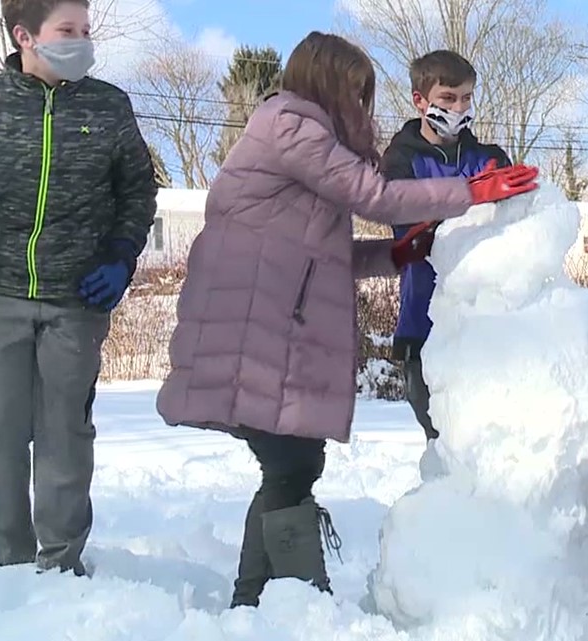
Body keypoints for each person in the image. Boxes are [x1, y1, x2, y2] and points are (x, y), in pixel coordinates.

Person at [155, 32, 538, 609]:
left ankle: (257, 598)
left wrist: (398, 255)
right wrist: (468, 192)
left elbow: (329, 250)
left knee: (290, 462)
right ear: (328, 83)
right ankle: (297, 594)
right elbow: (375, 195)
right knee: (291, 460)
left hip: (271, 323)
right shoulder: (289, 124)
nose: (363, 105)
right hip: (250, 324)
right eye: (357, 92)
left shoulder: (307, 139)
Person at [0, 0, 157, 575]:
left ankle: (61, 560)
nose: (82, 41)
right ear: (26, 36)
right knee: (0, 430)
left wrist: (119, 258)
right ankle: (10, 560)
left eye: (86, 31)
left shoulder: (109, 105)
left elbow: (138, 194)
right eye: (68, 30)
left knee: (67, 429)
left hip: (77, 297)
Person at [380, 50, 511, 444]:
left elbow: (517, 228)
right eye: (448, 98)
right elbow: (410, 230)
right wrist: (470, 197)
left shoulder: (489, 158)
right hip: (423, 328)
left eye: (467, 98)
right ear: (420, 100)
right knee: (447, 446)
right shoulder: (399, 161)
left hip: (490, 326)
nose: (459, 108)